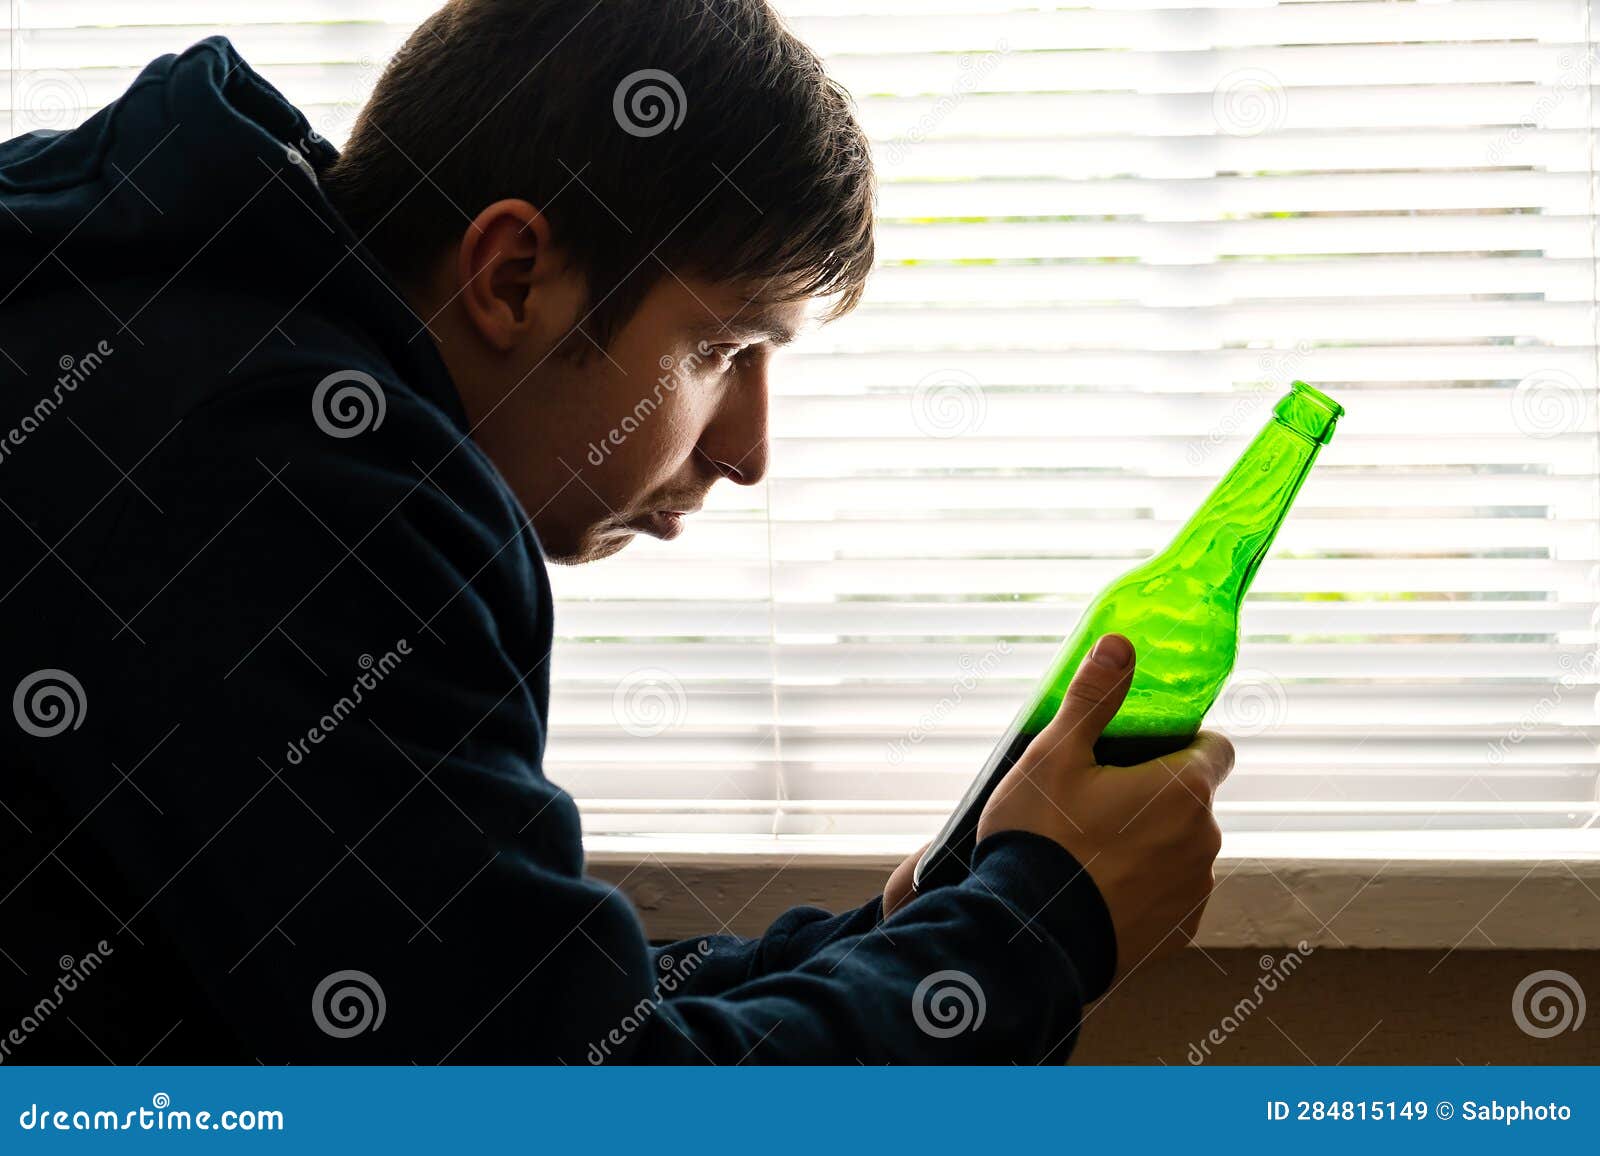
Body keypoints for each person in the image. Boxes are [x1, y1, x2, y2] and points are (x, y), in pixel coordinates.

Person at [0, 0, 1230, 1063]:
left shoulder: (175, 320)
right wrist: (1035, 928)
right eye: (720, 349)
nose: (747, 452)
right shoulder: (303, 487)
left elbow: (500, 1006)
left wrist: (904, 939)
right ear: (514, 275)